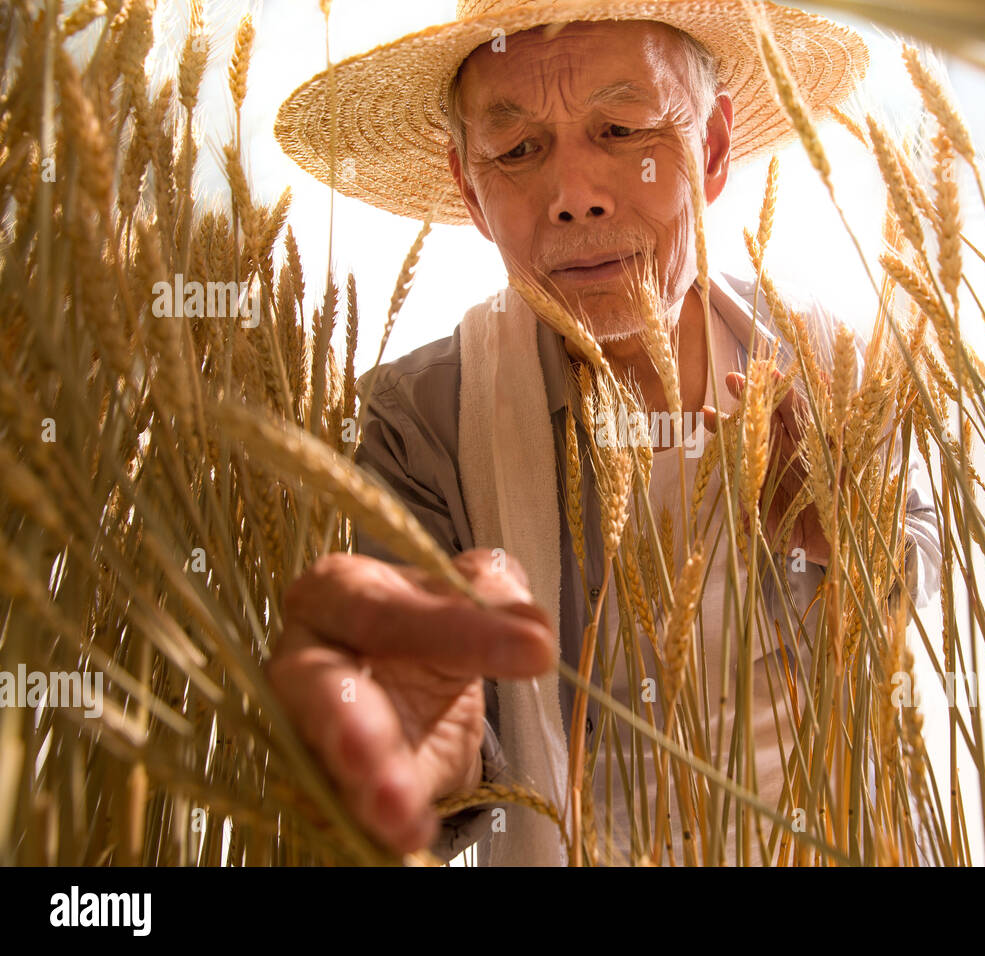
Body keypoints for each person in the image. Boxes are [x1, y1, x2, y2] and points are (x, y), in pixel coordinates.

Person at [269, 0, 939, 865]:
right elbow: (419, 742)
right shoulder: (417, 423)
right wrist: (418, 759)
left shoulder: (830, 359)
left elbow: (918, 570)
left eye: (623, 129)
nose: (574, 197)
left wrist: (851, 536)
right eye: (516, 151)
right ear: (471, 190)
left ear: (714, 147)